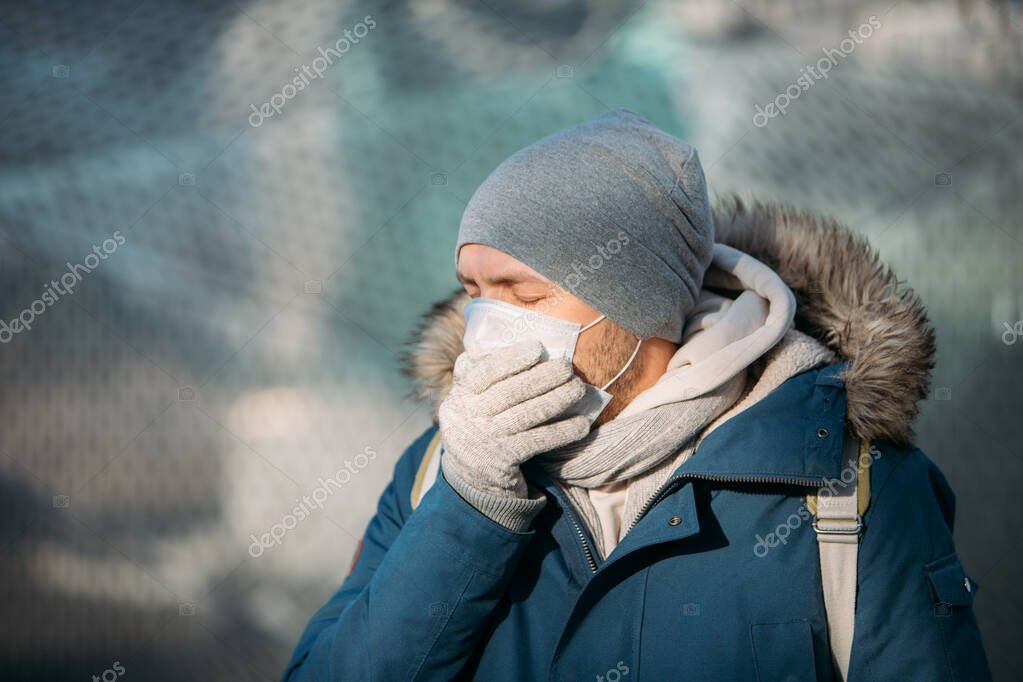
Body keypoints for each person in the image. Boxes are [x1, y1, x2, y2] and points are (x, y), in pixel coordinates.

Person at [281, 109, 990, 680]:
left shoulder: (843, 485)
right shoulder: (440, 466)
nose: (486, 328)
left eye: (524, 292)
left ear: (644, 304)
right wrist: (472, 505)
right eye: (474, 293)